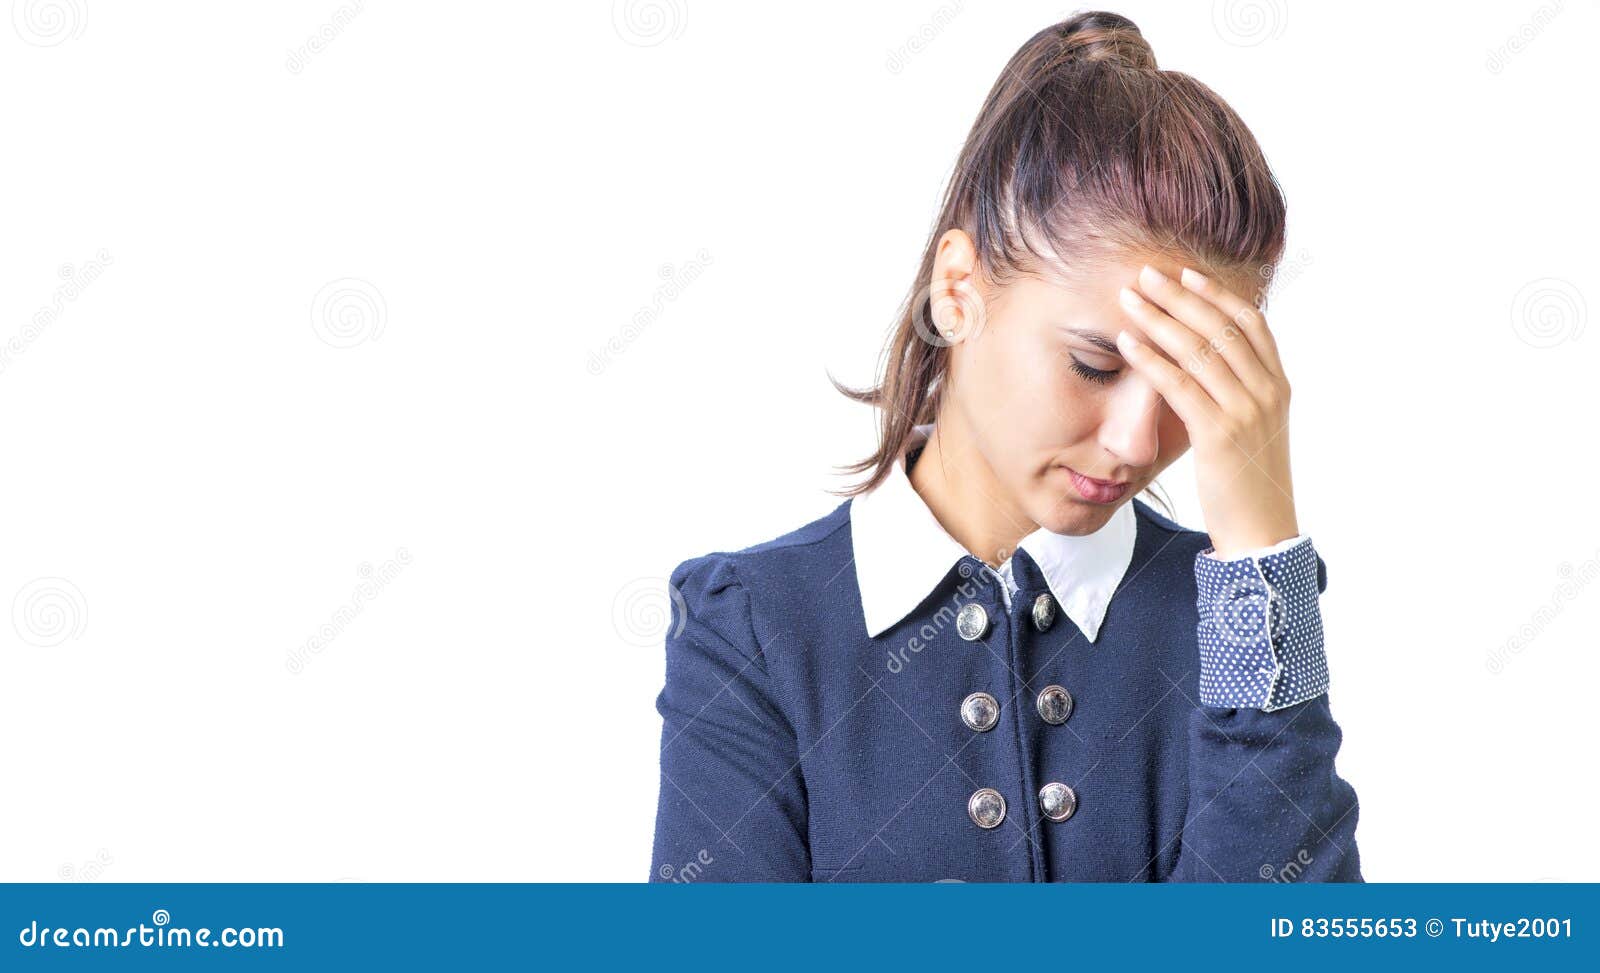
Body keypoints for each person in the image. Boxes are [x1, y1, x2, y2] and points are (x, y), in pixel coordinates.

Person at [649, 10, 1361, 882]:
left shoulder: (1233, 621)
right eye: (1094, 363)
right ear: (959, 290)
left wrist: (1261, 553)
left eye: (1188, 385)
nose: (1137, 442)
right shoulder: (757, 627)